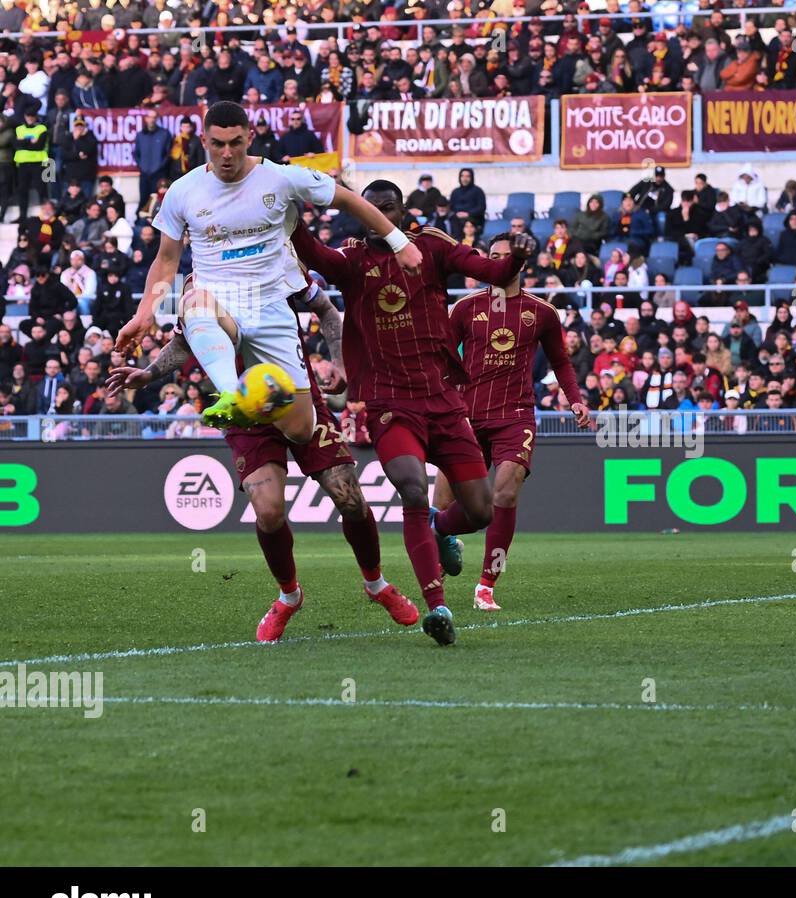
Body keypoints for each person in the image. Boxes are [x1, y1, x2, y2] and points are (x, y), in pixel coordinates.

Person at [106, 272, 420, 642]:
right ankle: (289, 596)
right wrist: (149, 373)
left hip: (296, 396)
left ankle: (376, 584)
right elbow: (185, 340)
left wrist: (339, 362)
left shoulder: (277, 259)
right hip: (243, 410)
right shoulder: (199, 280)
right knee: (269, 512)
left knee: (348, 497)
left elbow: (325, 308)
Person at [290, 180, 533, 646]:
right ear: (361, 211)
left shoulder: (433, 247)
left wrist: (518, 256)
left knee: (481, 509)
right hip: (388, 402)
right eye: (370, 208)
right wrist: (286, 206)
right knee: (411, 488)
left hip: (442, 398)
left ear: (403, 210)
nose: (380, 215)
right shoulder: (353, 260)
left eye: (388, 208)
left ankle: (444, 531)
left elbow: (492, 270)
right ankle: (436, 606)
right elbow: (313, 254)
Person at [113, 101, 424, 443]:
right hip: (218, 305)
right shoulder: (182, 191)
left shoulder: (282, 177)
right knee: (194, 299)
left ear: (249, 137)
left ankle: (258, 396)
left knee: (301, 431)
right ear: (204, 142)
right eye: (218, 144)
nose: (227, 153)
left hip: (271, 307)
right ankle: (234, 394)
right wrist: (145, 315)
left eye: (235, 143)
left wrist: (399, 242)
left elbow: (349, 200)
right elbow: (167, 259)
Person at [432, 234, 591, 612]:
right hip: (465, 417)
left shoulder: (542, 313)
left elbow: (561, 362)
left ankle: (486, 585)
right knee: (442, 504)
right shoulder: (465, 309)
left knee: (505, 492)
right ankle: (435, 564)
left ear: (521, 262)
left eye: (507, 255)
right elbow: (440, 357)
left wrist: (576, 399)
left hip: (515, 416)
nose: (500, 261)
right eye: (493, 255)